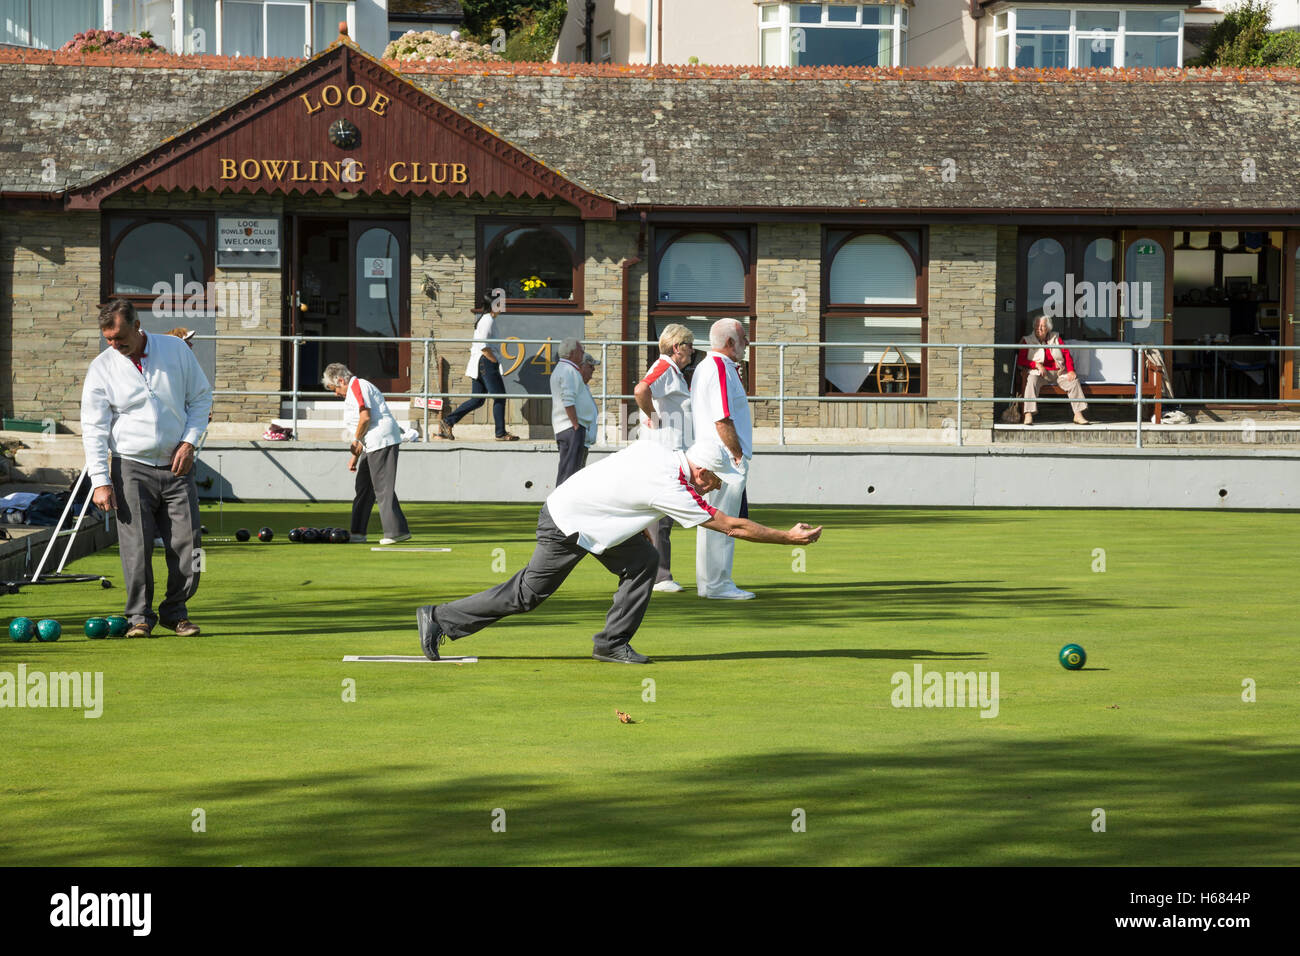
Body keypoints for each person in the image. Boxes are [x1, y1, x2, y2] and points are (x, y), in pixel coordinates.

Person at [415, 439, 822, 664]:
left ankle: (611, 643)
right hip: (567, 522)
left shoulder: (661, 451)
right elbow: (730, 526)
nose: (716, 487)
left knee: (645, 559)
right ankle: (440, 618)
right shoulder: (674, 486)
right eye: (715, 480)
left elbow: (629, 495)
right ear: (700, 470)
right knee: (527, 595)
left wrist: (634, 533)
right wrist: (788, 538)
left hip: (586, 513)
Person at [81, 299, 212, 638]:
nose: (114, 345)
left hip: (177, 465)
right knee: (136, 547)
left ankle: (176, 612)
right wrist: (100, 480)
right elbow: (94, 427)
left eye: (120, 337)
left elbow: (200, 398)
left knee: (189, 544)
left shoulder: (176, 350)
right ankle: (139, 616)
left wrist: (190, 441)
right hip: (129, 467)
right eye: (108, 338)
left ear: (137, 326)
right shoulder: (102, 367)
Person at [691, 318, 755, 600]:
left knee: (715, 522)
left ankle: (712, 583)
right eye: (743, 339)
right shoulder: (717, 367)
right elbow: (722, 418)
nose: (747, 344)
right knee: (723, 522)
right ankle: (717, 584)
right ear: (730, 342)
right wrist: (738, 455)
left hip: (717, 454)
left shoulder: (714, 366)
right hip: (722, 457)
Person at [633, 323, 695, 593]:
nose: (692, 351)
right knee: (662, 517)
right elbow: (641, 389)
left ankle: (653, 574)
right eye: (689, 345)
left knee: (661, 517)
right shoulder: (665, 367)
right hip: (663, 452)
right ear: (676, 347)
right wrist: (652, 416)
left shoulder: (673, 371)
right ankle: (660, 577)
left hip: (670, 450)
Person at [323, 363, 411, 545]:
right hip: (371, 442)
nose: (335, 393)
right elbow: (361, 428)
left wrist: (355, 441)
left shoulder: (358, 385)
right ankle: (357, 533)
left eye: (334, 388)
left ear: (341, 380)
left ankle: (396, 531)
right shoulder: (352, 393)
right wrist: (355, 456)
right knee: (364, 487)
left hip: (382, 438)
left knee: (381, 487)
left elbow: (365, 418)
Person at [437, 293, 519, 442]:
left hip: (481, 362)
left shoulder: (488, 319)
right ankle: (500, 433)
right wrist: (494, 362)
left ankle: (448, 421)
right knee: (500, 397)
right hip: (486, 362)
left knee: (477, 400)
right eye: (501, 303)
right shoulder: (487, 320)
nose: (503, 306)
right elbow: (483, 347)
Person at [1018, 314, 1090, 426]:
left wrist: (1071, 370)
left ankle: (1078, 414)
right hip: (1041, 374)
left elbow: (1066, 354)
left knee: (1074, 381)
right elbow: (1021, 361)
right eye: (1037, 325)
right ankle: (1028, 414)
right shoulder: (1027, 340)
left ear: (1048, 328)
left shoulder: (1056, 338)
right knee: (1031, 379)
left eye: (1042, 326)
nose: (1039, 328)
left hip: (1059, 372)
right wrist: (1036, 364)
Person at [550, 337, 597, 486]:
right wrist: (576, 425)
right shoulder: (568, 370)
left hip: (569, 427)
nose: (583, 353)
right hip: (571, 428)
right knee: (570, 472)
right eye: (580, 350)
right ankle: (559, 505)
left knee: (569, 470)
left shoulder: (565, 369)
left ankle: (562, 505)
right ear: (572, 353)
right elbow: (568, 400)